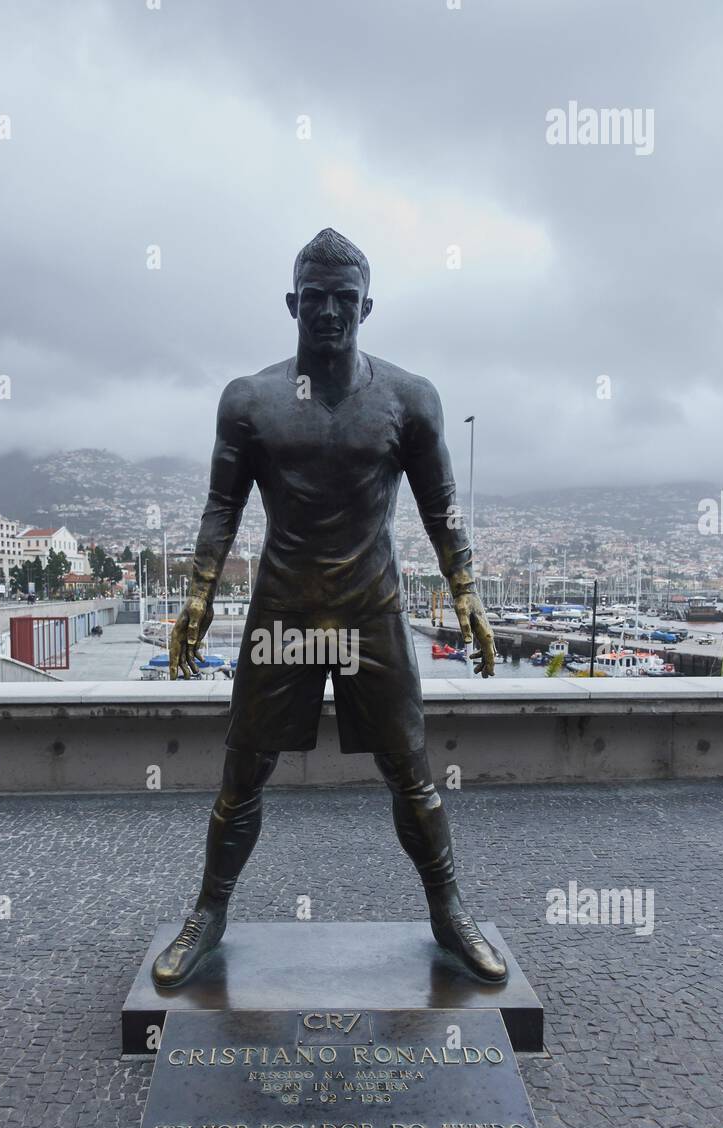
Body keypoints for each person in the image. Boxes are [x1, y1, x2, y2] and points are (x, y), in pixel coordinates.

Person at [151, 229, 505, 990]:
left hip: (371, 610)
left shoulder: (410, 398)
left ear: (367, 306)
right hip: (283, 608)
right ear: (292, 304)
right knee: (244, 771)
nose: (330, 313)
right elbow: (222, 507)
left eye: (345, 300)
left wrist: (466, 591)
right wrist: (198, 597)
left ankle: (448, 909)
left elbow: (441, 508)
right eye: (315, 299)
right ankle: (209, 911)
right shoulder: (251, 400)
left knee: (410, 772)